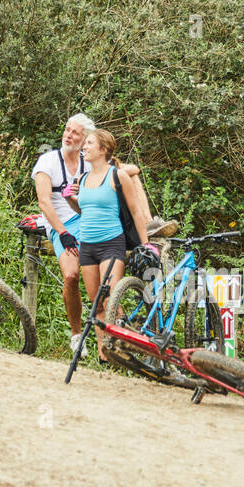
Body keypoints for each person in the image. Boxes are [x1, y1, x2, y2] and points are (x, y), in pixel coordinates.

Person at [31, 114, 176, 351]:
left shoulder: (87, 160)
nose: (68, 135)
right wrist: (63, 232)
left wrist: (126, 172)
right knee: (71, 276)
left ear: (85, 139)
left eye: (75, 133)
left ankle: (119, 340)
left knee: (107, 293)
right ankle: (77, 336)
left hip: (90, 222)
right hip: (62, 223)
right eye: (67, 130)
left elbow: (128, 169)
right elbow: (44, 203)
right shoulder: (48, 162)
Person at [63, 129, 152, 361]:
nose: (84, 147)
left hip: (111, 243)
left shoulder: (117, 176)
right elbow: (85, 211)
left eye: (89, 143)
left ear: (103, 150)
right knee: (97, 303)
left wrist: (146, 244)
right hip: (88, 246)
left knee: (112, 298)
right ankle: (105, 357)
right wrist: (69, 200)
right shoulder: (82, 179)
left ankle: (123, 352)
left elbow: (136, 211)